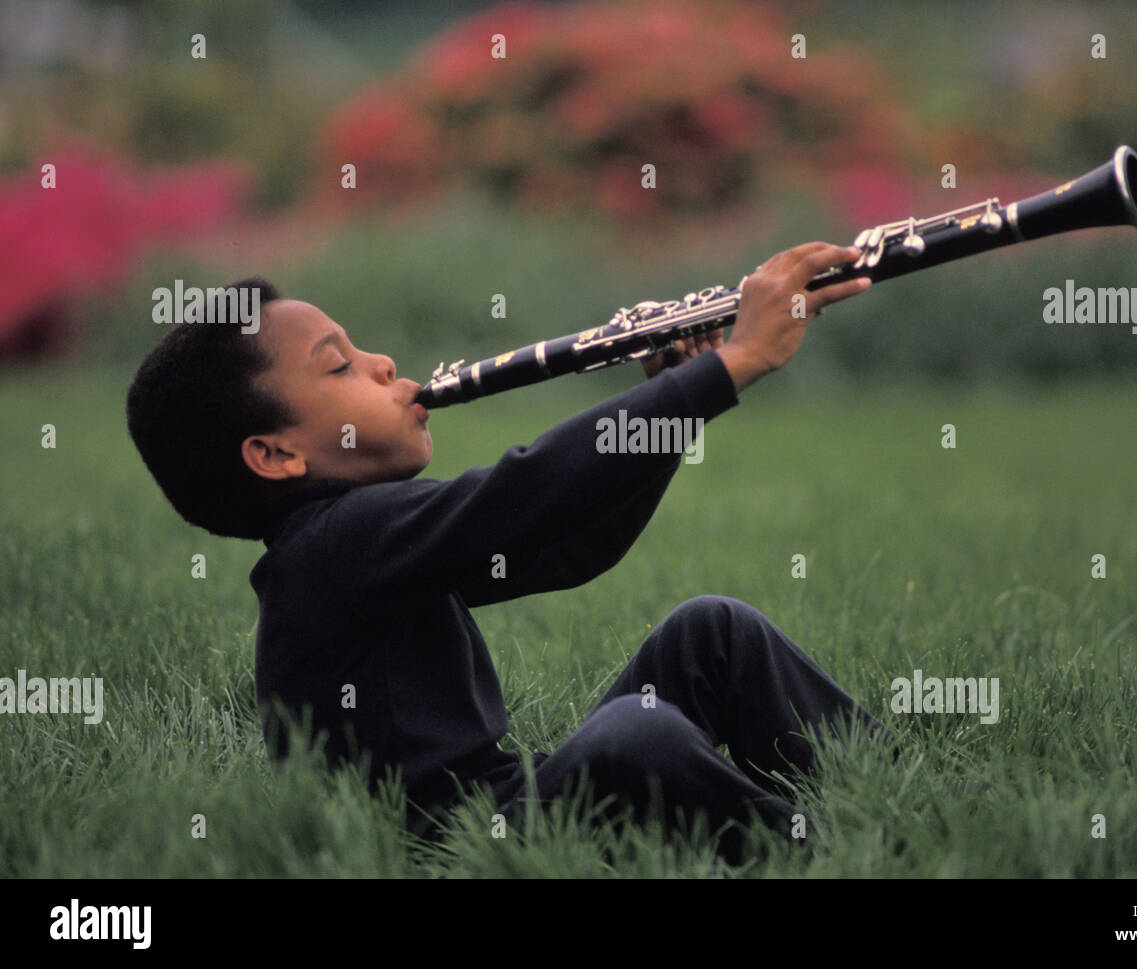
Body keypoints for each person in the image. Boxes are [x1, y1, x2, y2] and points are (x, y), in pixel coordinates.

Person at [126, 242, 895, 866]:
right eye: (340, 365)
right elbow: (528, 493)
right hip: (451, 852)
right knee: (634, 735)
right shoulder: (336, 544)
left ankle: (884, 788)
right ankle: (828, 855)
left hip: (504, 801)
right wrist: (732, 364)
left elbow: (566, 544)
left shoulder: (355, 540)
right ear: (274, 454)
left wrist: (669, 413)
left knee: (709, 632)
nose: (383, 362)